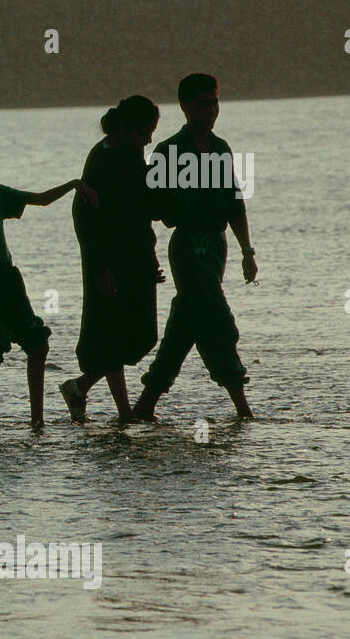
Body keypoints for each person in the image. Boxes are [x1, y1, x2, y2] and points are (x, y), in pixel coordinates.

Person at [0, 141, 97, 429]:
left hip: (8, 280)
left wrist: (74, 184)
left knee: (37, 346)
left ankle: (37, 421)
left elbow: (41, 199)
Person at [132, 73, 256, 420]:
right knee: (219, 321)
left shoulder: (220, 148)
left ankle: (143, 405)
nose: (211, 110)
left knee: (186, 325)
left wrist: (247, 251)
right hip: (187, 247)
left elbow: (234, 202)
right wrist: (148, 254)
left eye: (215, 102)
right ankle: (243, 409)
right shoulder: (169, 151)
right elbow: (148, 208)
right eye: (203, 103)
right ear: (185, 106)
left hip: (216, 246)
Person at [60, 96, 163, 422]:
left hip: (134, 255)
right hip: (106, 259)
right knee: (110, 335)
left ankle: (79, 387)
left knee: (143, 335)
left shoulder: (132, 154)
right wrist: (99, 269)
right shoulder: (101, 159)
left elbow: (142, 211)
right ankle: (124, 413)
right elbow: (85, 218)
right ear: (126, 129)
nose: (148, 139)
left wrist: (150, 257)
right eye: (144, 132)